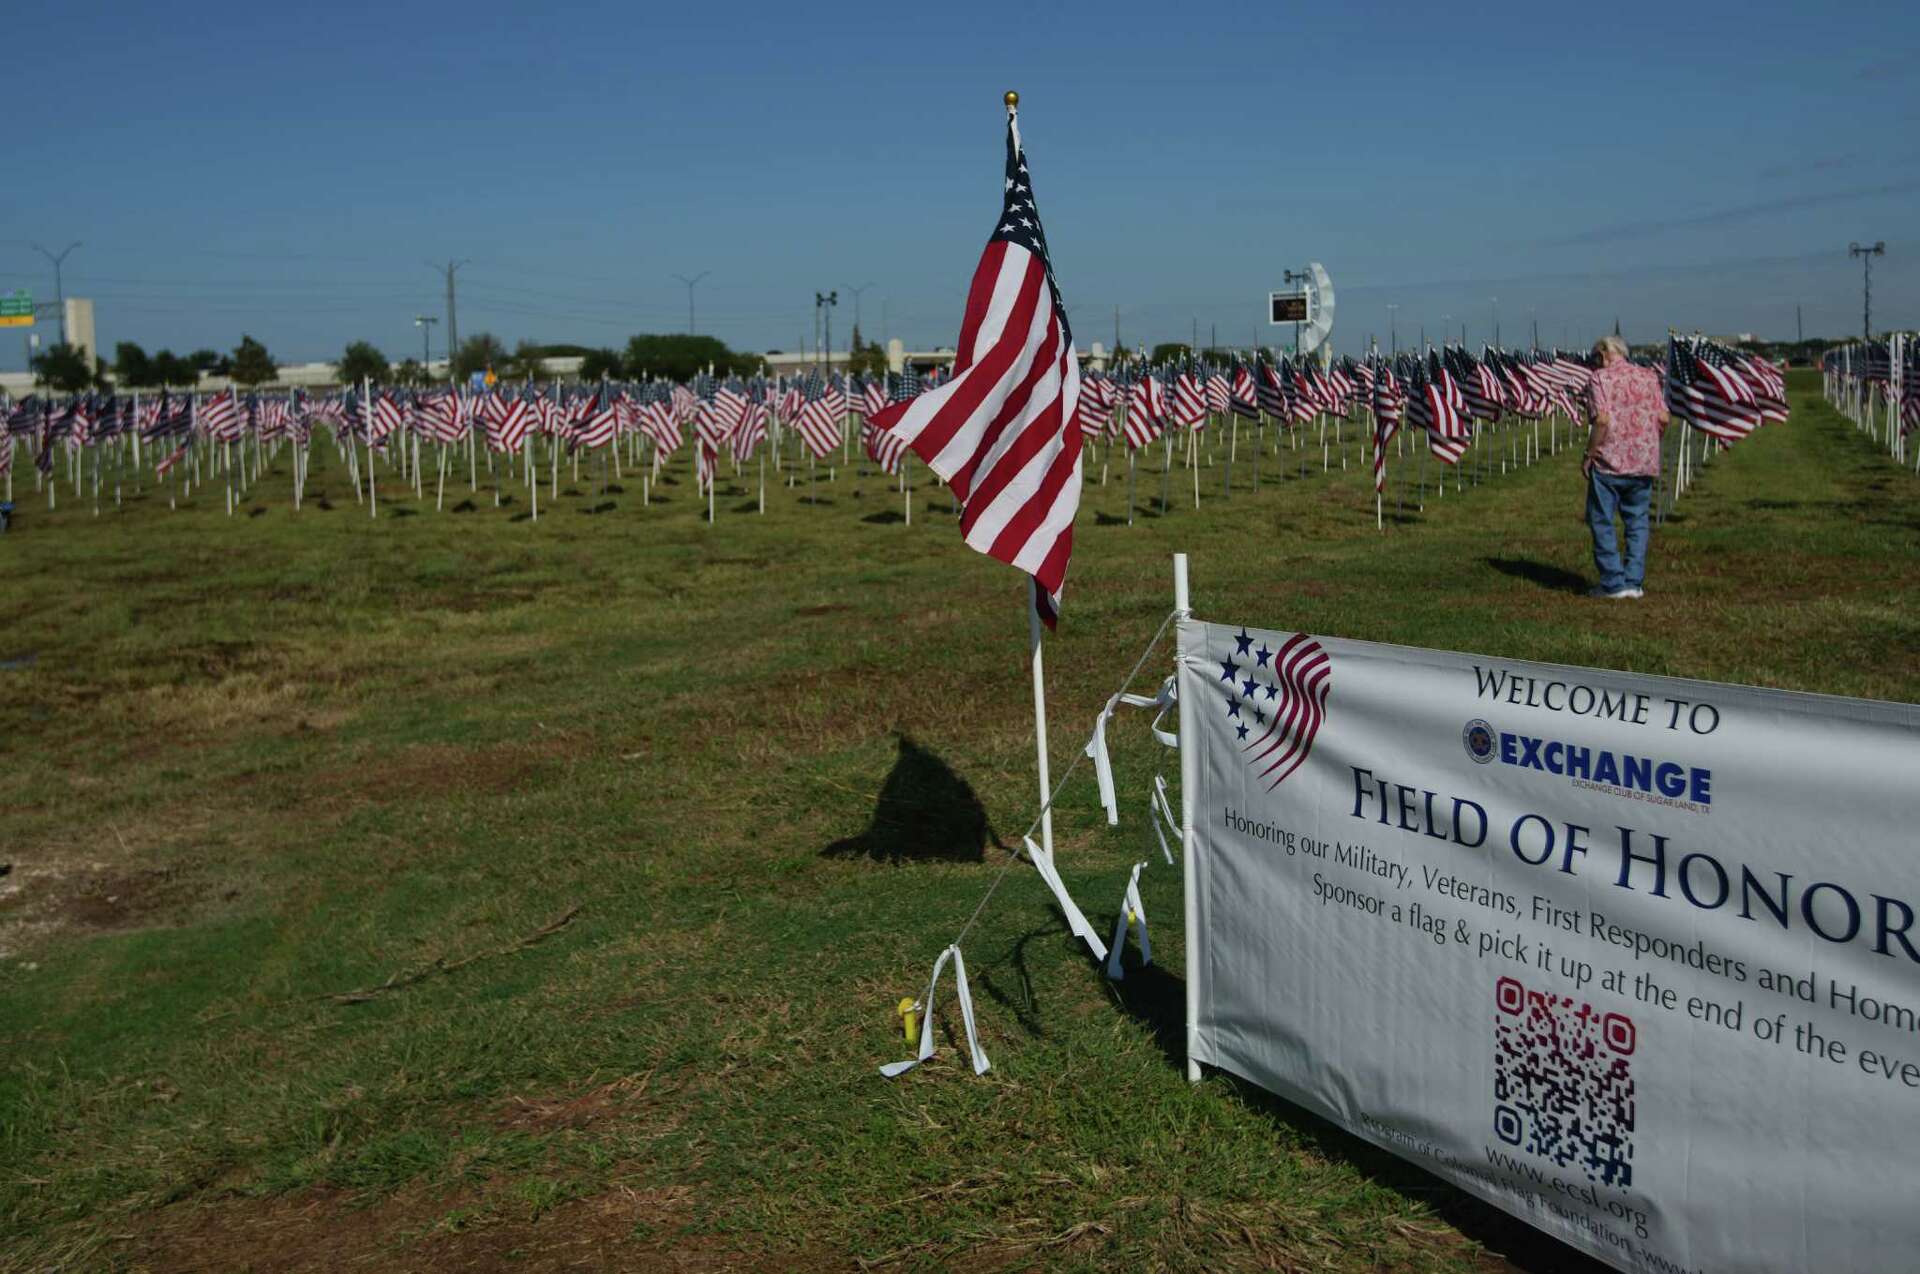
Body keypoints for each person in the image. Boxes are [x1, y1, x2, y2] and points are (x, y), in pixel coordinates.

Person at [1581, 335, 1668, 599]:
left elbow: (1603, 419)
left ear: (1604, 355)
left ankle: (1612, 582)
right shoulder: (1649, 376)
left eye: (1596, 358)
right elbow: (1663, 417)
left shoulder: (1600, 379)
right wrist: (1649, 442)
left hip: (1610, 461)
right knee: (1637, 521)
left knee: (1602, 519)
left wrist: (1590, 452)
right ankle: (1634, 581)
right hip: (1644, 460)